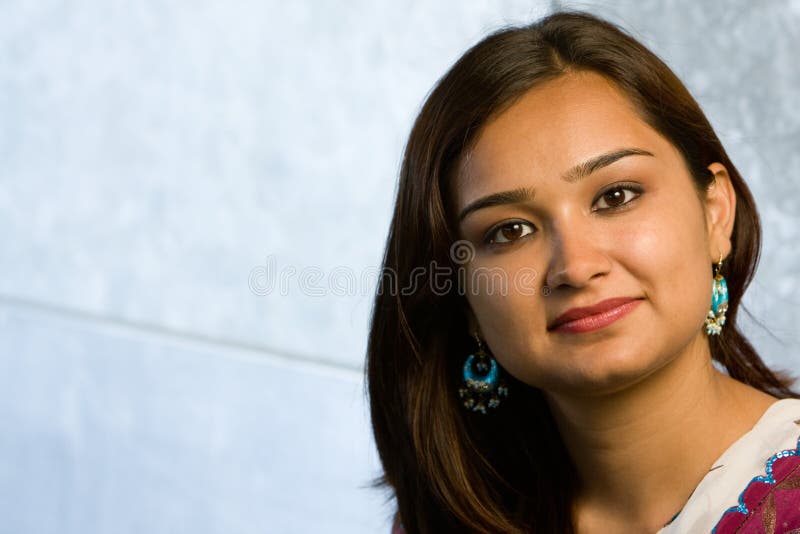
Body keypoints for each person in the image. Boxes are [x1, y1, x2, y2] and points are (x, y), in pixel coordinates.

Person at [366, 11, 800, 534]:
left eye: (616, 197)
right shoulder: (445, 521)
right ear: (465, 298)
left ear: (715, 214)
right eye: (509, 231)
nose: (575, 266)